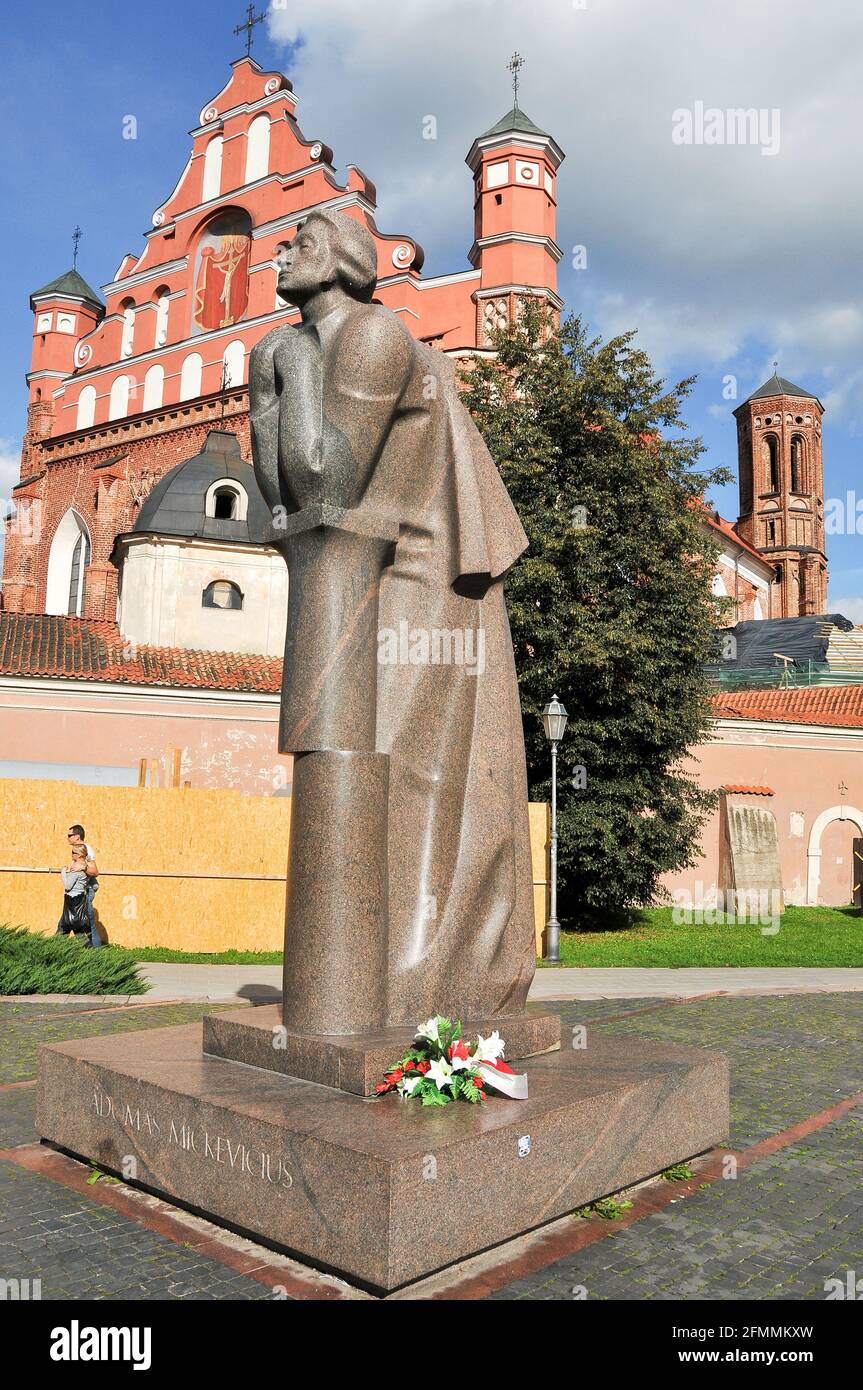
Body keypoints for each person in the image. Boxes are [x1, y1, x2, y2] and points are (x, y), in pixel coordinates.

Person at [66, 825, 101, 948]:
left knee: (89, 925)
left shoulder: (86, 849)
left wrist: (84, 867)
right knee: (75, 923)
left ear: (77, 836)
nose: (68, 838)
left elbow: (95, 871)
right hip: (78, 893)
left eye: (70, 835)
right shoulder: (78, 849)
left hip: (86, 891)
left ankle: (98, 956)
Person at [55, 844, 91, 941]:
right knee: (76, 928)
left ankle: (54, 950)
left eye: (73, 853)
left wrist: (63, 872)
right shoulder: (85, 866)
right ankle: (90, 952)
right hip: (80, 898)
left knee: (65, 926)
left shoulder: (76, 867)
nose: (71, 854)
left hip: (72, 900)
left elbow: (68, 886)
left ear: (79, 855)